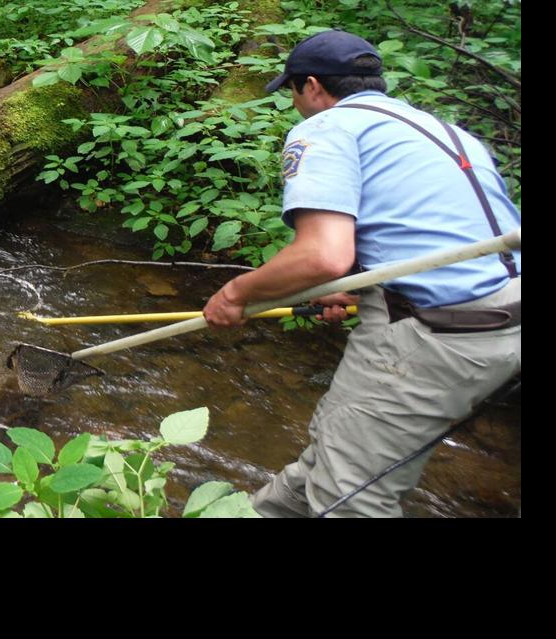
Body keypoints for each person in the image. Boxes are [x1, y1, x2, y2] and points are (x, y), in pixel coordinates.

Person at [201, 29, 521, 518]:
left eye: (291, 90)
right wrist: (364, 285)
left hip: (441, 332)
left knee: (352, 498)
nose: (294, 102)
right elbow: (429, 232)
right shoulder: (441, 129)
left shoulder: (326, 127)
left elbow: (322, 257)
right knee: (334, 459)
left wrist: (235, 292)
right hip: (502, 321)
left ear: (311, 86)